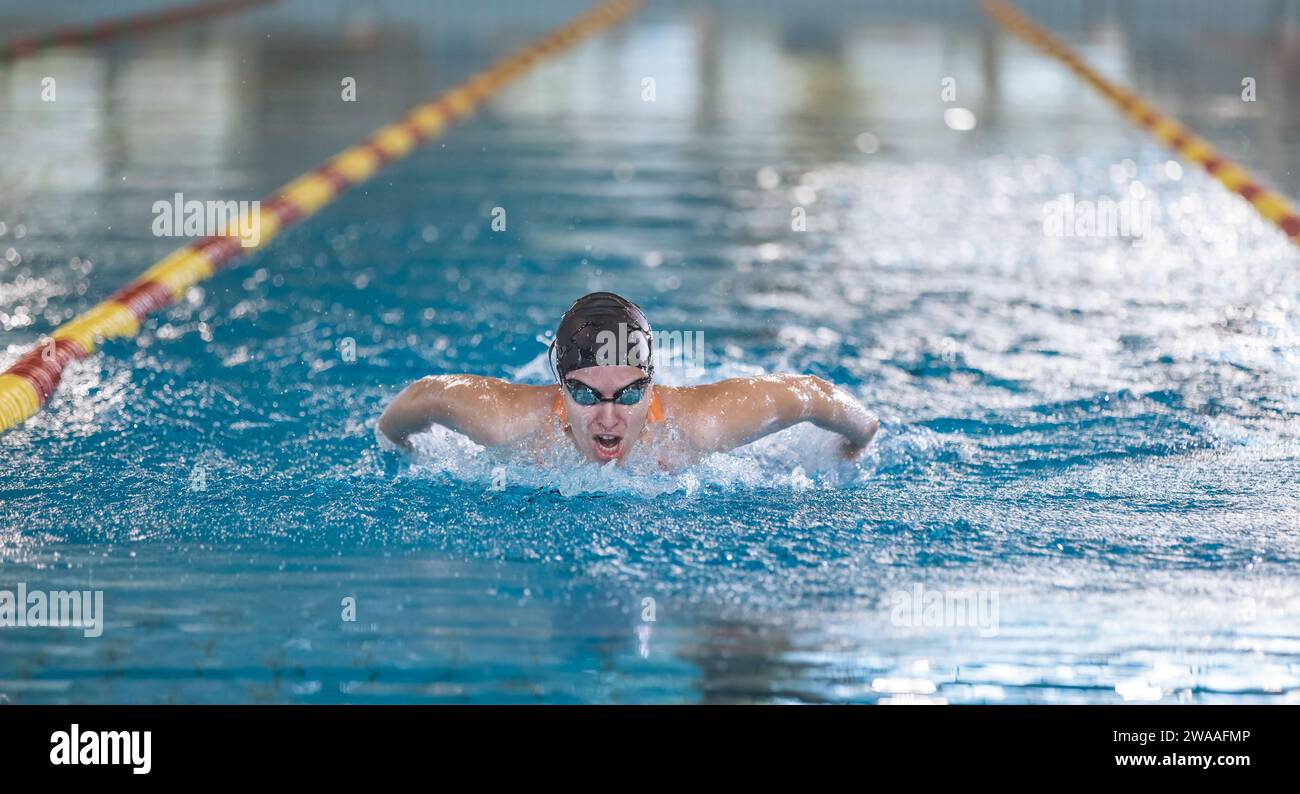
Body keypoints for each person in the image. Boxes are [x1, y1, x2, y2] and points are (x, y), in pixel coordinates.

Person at [378, 292, 878, 470]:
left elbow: (813, 394)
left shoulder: (700, 425)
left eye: (630, 393)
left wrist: (853, 448)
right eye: (585, 394)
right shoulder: (513, 423)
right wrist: (399, 452)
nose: (609, 417)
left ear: (651, 387)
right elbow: (426, 395)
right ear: (560, 386)